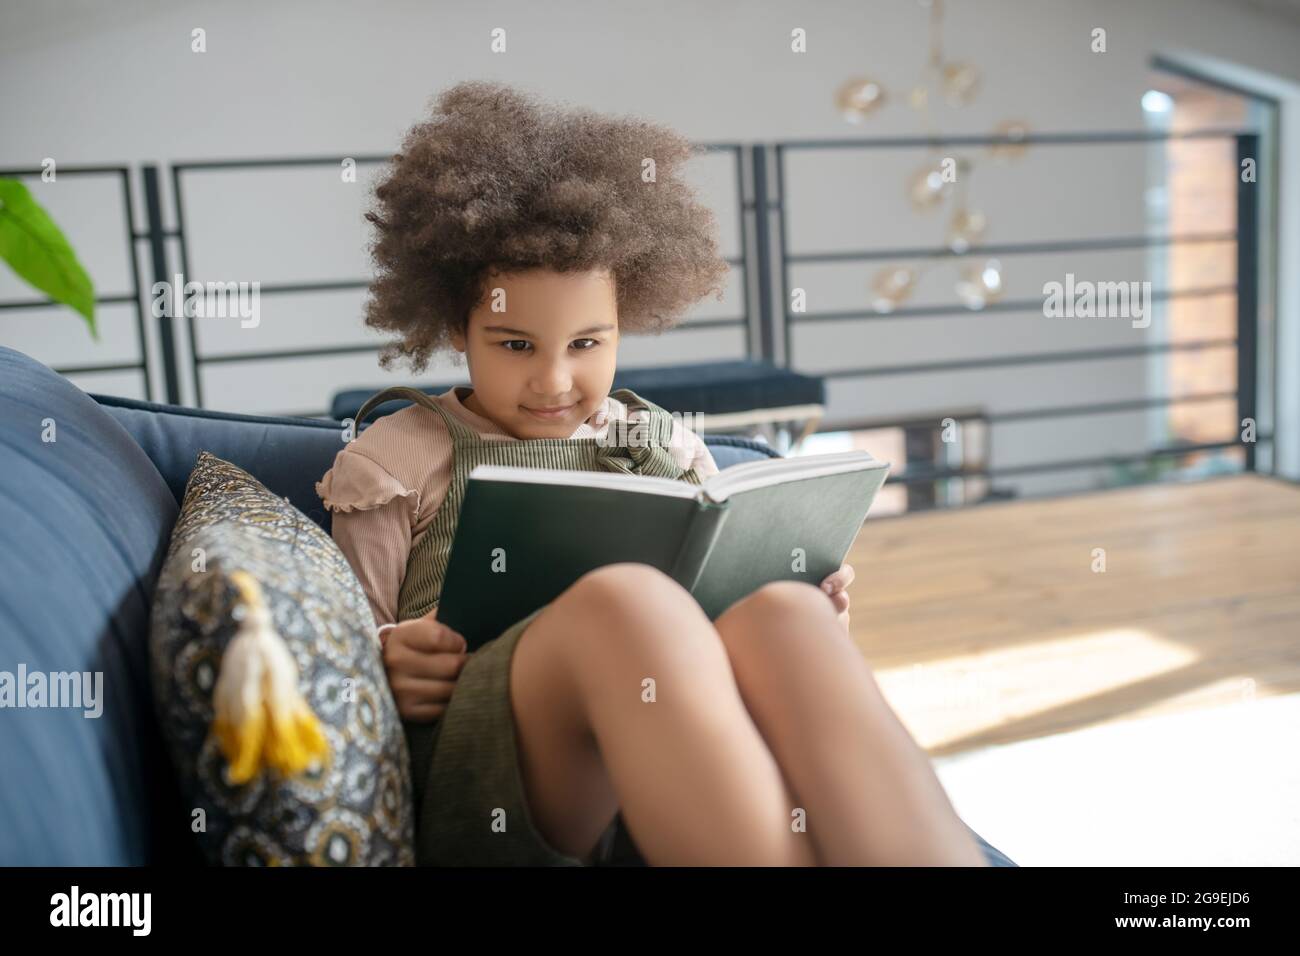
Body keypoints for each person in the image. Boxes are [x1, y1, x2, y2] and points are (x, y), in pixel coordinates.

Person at [317, 80, 986, 867]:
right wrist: (390, 657)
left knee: (784, 617)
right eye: (515, 344)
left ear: (626, 323)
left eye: (589, 343)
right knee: (624, 603)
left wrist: (820, 599)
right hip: (489, 779)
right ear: (457, 329)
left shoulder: (667, 444)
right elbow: (338, 666)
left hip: (667, 757)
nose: (555, 382)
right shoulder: (395, 460)